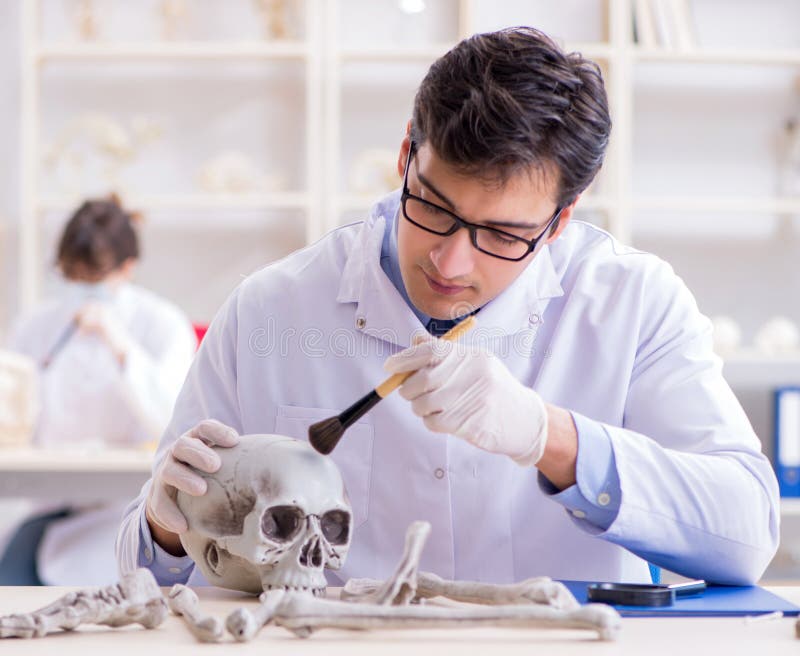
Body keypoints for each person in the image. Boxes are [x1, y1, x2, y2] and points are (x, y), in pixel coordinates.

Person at [118, 27, 779, 588]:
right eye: (434, 208)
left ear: (560, 221)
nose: (450, 262)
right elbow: (147, 574)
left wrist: (548, 436)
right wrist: (163, 526)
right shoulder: (272, 307)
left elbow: (747, 534)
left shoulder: (634, 303)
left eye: (501, 234)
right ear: (407, 155)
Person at [0, 195, 197, 586]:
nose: (85, 288)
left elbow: (171, 421)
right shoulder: (38, 323)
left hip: (124, 509)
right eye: (74, 277)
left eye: (96, 278)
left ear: (128, 268)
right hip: (50, 502)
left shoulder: (161, 324)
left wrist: (121, 347)